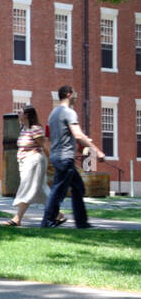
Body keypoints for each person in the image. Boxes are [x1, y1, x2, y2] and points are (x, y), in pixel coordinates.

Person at [40, 86, 104, 229]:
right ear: (69, 95)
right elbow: (78, 134)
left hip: (57, 156)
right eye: (74, 94)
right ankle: (47, 221)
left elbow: (51, 137)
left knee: (78, 187)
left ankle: (82, 222)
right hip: (65, 157)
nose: (76, 96)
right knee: (57, 190)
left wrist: (78, 142)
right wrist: (97, 151)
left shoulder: (52, 114)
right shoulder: (69, 112)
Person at [7, 105, 52, 226]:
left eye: (20, 112)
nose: (18, 115)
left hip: (34, 162)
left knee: (26, 187)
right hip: (24, 162)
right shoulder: (23, 129)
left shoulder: (35, 129)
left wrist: (51, 162)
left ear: (26, 115)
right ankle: (57, 215)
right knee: (40, 190)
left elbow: (44, 146)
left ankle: (17, 218)